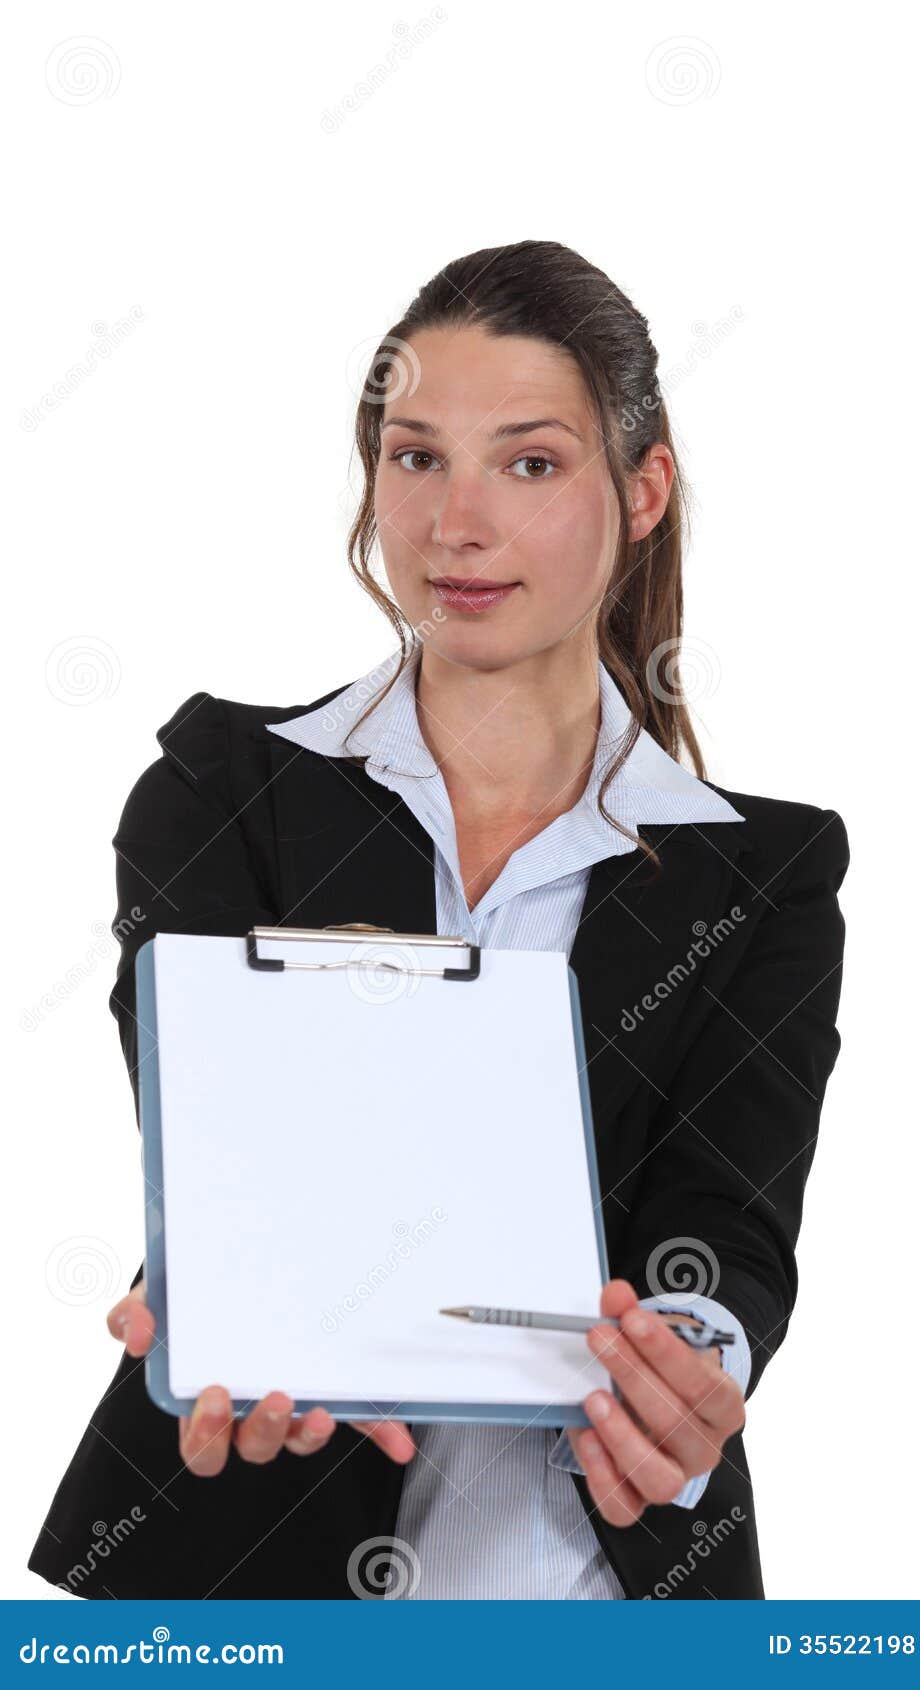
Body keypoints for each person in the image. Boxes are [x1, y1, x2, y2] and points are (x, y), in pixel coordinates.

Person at [27, 240, 848, 1600]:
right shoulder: (220, 789)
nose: (455, 523)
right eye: (416, 458)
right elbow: (234, 1148)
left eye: (529, 463)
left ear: (642, 493)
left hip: (590, 1588)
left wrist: (690, 1362)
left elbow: (730, 1218)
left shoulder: (760, 872)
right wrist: (220, 1299)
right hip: (243, 1568)